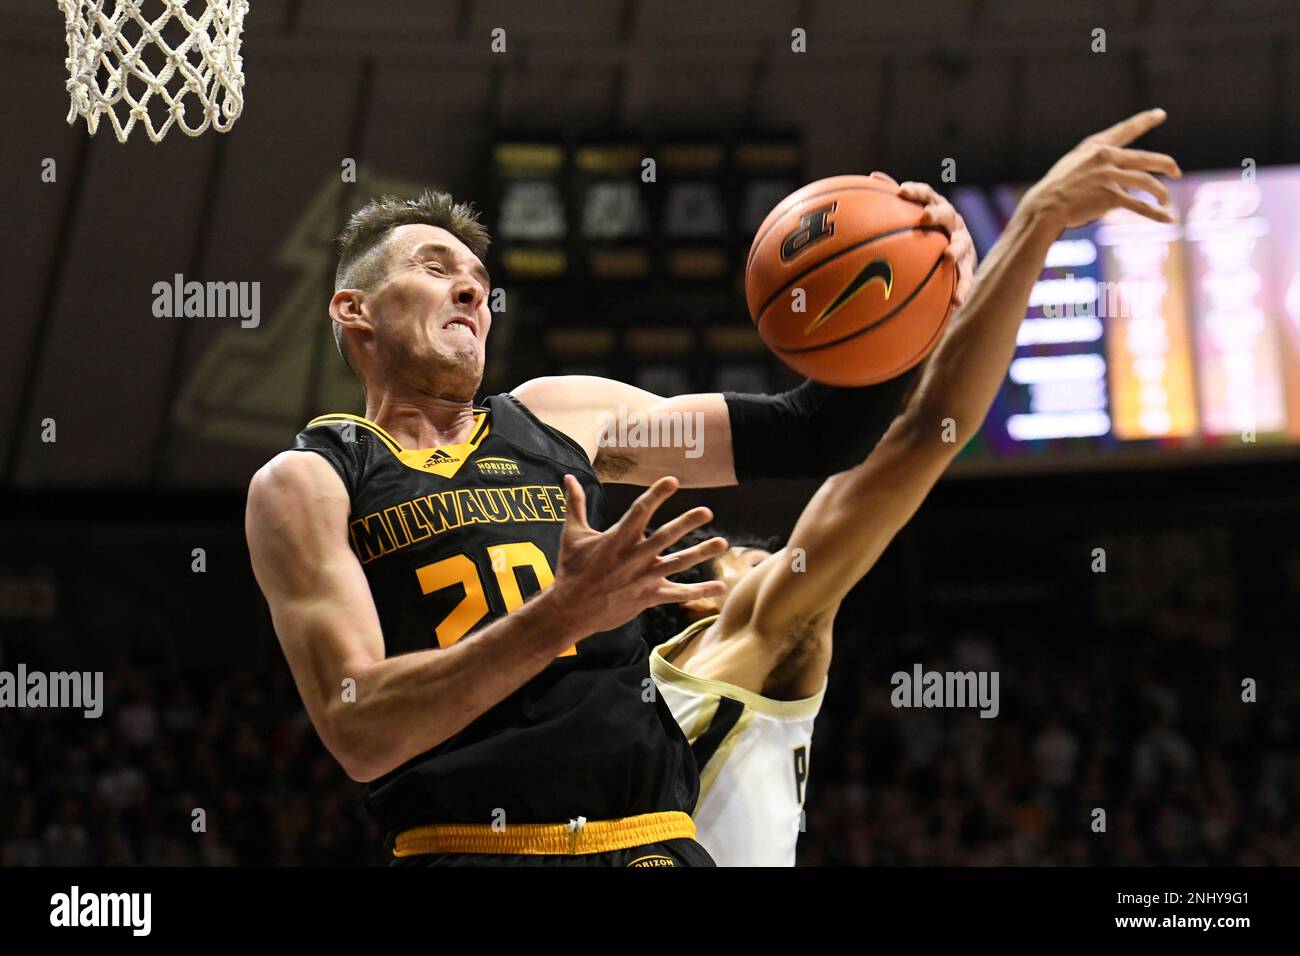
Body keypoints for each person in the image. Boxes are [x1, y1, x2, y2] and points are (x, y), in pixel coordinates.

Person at [244, 176, 974, 865]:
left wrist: (924, 290)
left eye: (482, 284)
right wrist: (562, 615)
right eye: (435, 268)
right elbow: (360, 729)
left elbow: (813, 433)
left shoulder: (561, 416)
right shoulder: (311, 480)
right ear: (353, 309)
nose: (471, 289)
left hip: (651, 839)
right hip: (471, 847)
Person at [646, 110, 1181, 866]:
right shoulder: (658, 677)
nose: (783, 566)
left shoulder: (752, 647)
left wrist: (1013, 246)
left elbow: (925, 434)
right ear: (697, 603)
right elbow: (923, 434)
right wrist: (1034, 221)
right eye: (749, 561)